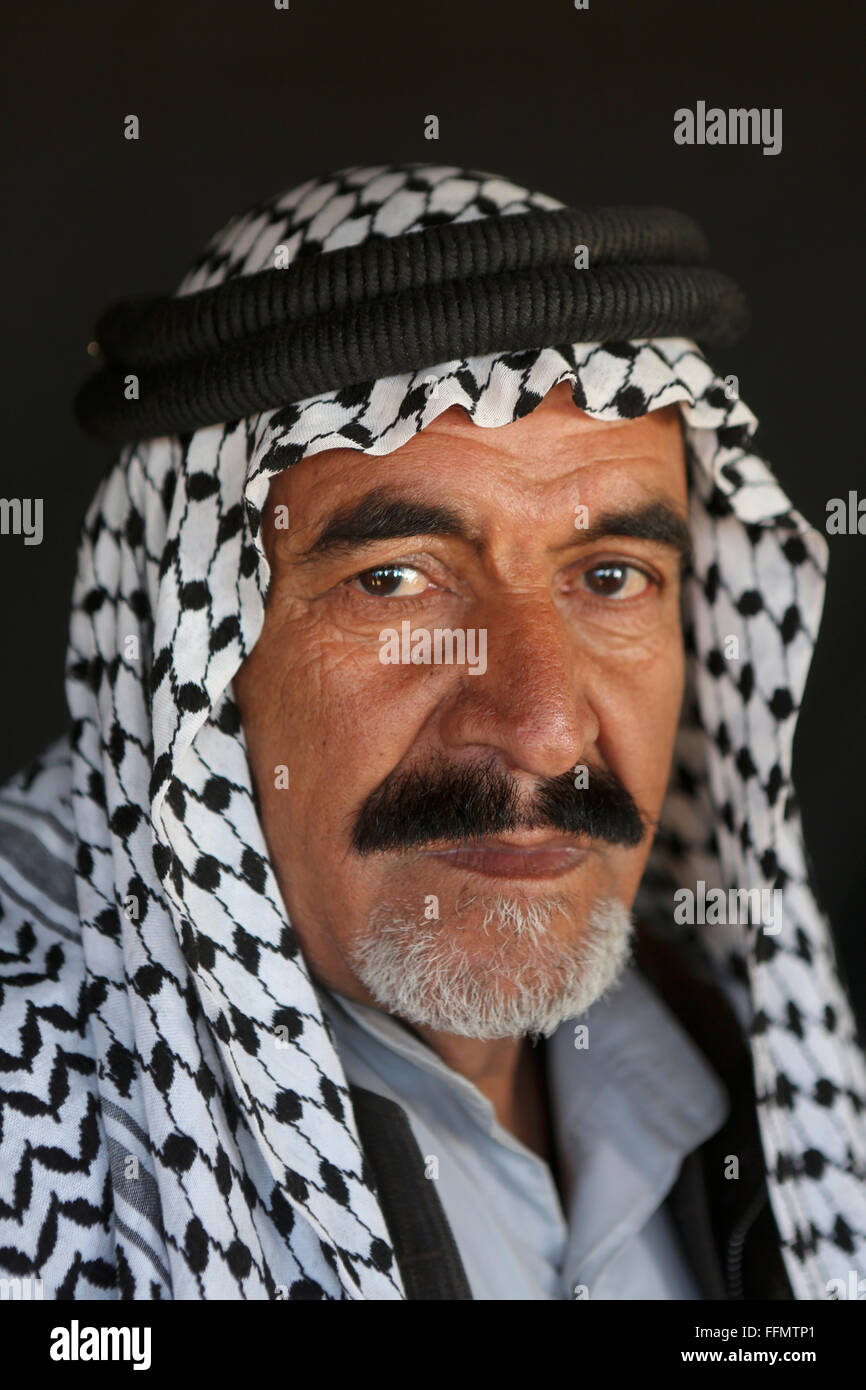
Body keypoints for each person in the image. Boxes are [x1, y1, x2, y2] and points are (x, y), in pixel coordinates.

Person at [0, 163, 863, 1300]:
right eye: (396, 581)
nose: (545, 729)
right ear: (195, 655)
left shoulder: (761, 1081)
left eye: (610, 575)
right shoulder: (36, 1125)